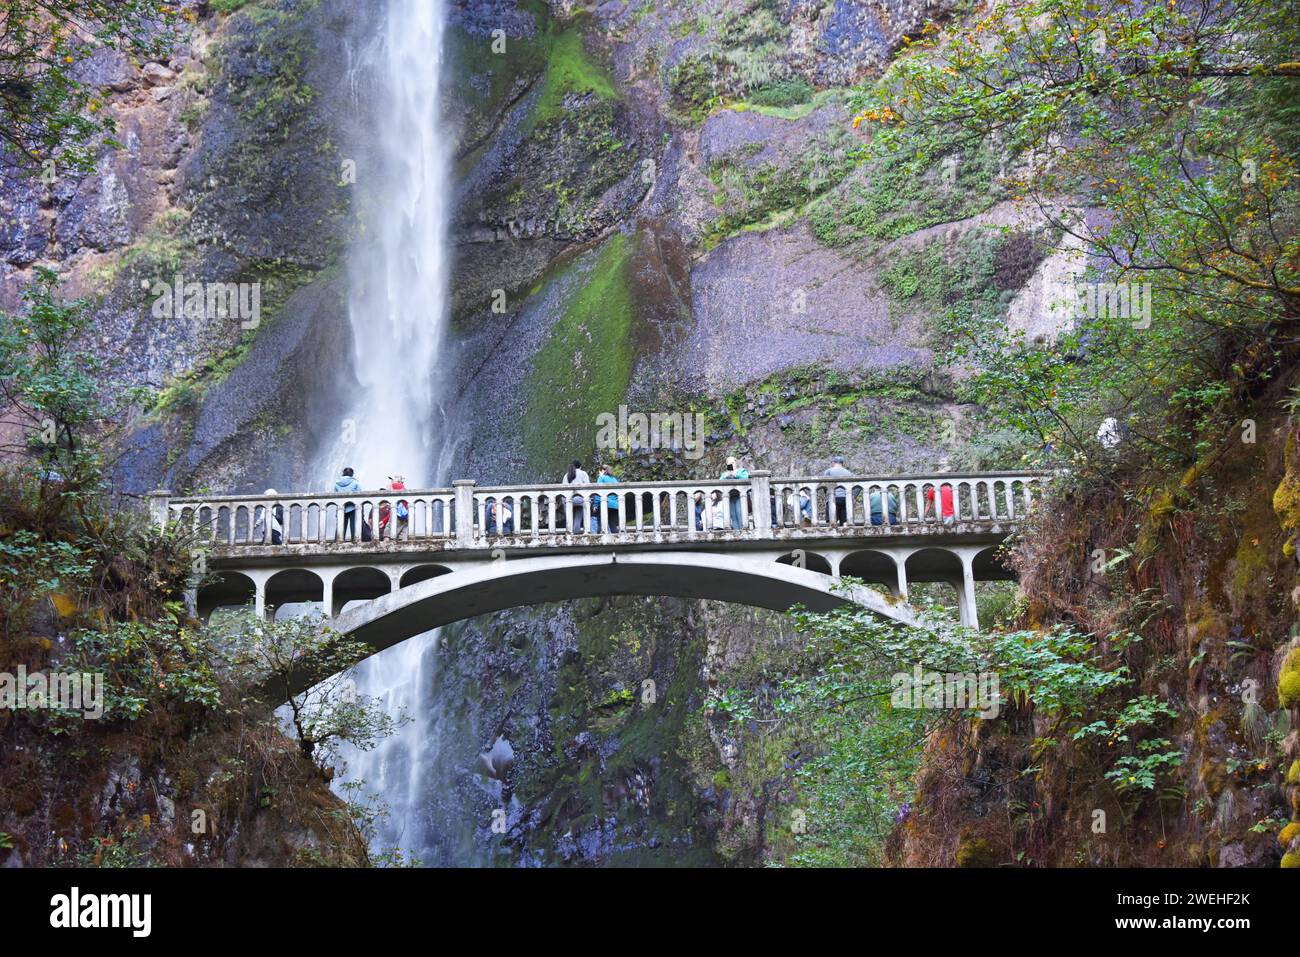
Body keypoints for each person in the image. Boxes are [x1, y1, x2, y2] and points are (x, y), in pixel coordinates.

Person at [720, 455, 749, 529]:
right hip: (730, 497)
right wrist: (727, 476)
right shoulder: (724, 474)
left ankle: (743, 532)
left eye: (732, 462)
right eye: (729, 463)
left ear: (736, 463)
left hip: (740, 496)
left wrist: (736, 474)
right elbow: (719, 482)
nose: (731, 464)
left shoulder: (741, 471)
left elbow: (746, 477)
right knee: (733, 515)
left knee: (740, 513)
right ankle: (736, 533)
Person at [561, 460, 590, 531]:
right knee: (578, 519)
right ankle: (576, 534)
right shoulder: (583, 473)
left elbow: (563, 489)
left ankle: (570, 535)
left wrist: (564, 502)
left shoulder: (567, 475)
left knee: (570, 520)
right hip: (580, 500)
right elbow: (588, 487)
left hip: (569, 500)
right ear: (580, 466)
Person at [824, 455, 852, 524]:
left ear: (833, 462)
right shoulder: (848, 473)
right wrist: (853, 496)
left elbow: (824, 485)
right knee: (844, 521)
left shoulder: (829, 471)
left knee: (832, 520)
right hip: (845, 498)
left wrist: (826, 494)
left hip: (833, 497)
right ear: (842, 463)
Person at [592, 465, 621, 533]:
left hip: (605, 504)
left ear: (602, 470)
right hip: (615, 505)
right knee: (613, 525)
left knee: (601, 523)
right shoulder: (614, 479)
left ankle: (600, 540)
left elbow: (598, 492)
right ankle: (616, 540)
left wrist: (595, 505)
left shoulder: (601, 478)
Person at [334, 467, 361, 540]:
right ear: (352, 474)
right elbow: (360, 495)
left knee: (340, 525)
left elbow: (335, 495)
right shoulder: (355, 482)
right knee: (354, 525)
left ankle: (338, 540)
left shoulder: (337, 483)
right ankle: (354, 540)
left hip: (341, 508)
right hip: (353, 507)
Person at [389, 475, 410, 540]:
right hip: (406, 513)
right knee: (403, 533)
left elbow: (387, 491)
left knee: (389, 531)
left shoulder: (396, 485)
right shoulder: (403, 487)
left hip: (398, 513)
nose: (391, 481)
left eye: (392, 479)